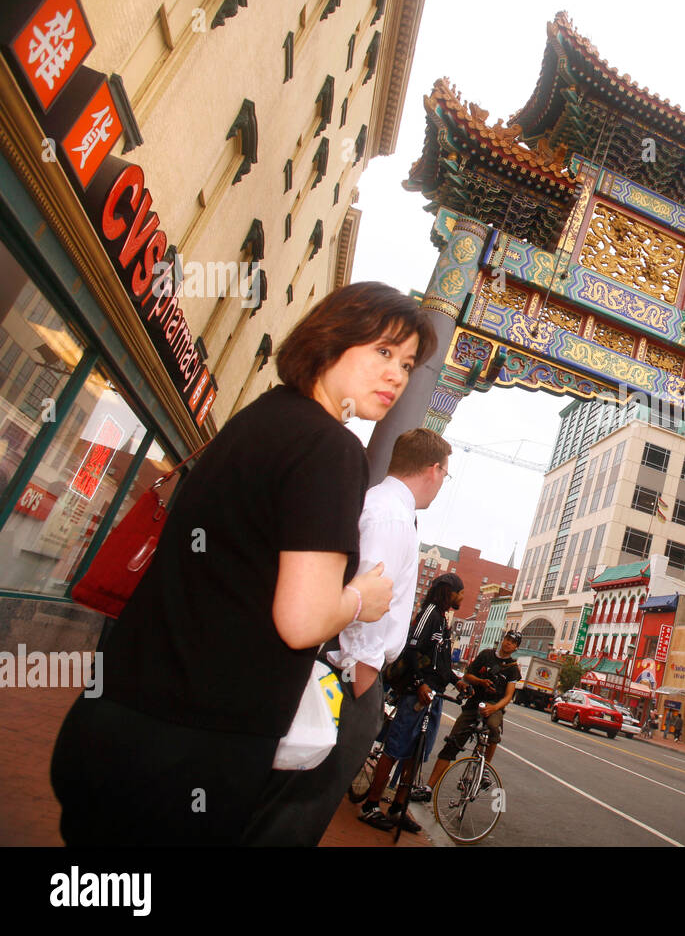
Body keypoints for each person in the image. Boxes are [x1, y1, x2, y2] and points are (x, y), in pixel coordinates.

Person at [50, 282, 437, 845]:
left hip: (117, 715)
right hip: (195, 748)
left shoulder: (261, 418)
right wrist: (361, 599)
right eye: (382, 352)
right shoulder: (331, 448)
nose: (397, 375)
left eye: (406, 363)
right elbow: (301, 619)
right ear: (330, 343)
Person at [242, 428, 454, 844]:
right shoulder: (391, 516)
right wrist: (364, 673)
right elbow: (371, 595)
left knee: (294, 791)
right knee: (306, 799)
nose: (443, 483)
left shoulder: (384, 505)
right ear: (433, 470)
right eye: (446, 474)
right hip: (347, 674)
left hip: (343, 668)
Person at [357, 573, 465, 833]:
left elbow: (440, 662)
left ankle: (398, 808)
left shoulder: (443, 620)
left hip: (434, 697)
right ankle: (370, 806)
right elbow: (412, 649)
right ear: (449, 591)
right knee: (396, 749)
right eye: (460, 591)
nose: (462, 596)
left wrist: (456, 680)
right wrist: (419, 684)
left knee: (416, 756)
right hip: (417, 696)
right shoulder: (430, 613)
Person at [425, 630, 524, 791]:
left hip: (493, 706)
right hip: (474, 703)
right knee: (452, 743)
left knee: (493, 727)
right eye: (507, 639)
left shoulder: (513, 669)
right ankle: (428, 787)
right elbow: (467, 675)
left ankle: (485, 768)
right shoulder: (486, 655)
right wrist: (481, 682)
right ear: (503, 640)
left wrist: (495, 707)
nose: (508, 643)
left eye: (513, 642)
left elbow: (508, 696)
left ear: (516, 648)